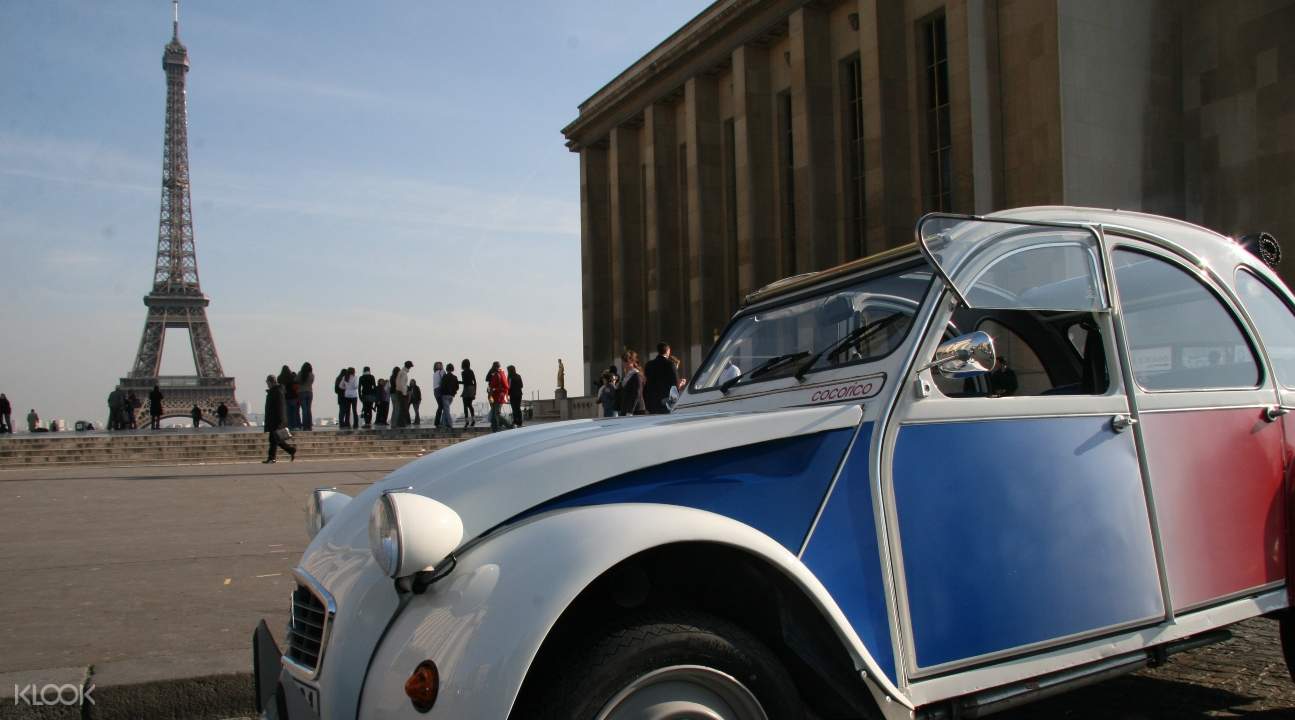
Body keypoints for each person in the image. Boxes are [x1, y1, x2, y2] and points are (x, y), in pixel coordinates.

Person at [262, 374, 297, 463]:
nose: (267, 384)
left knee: (274, 439)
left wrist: (280, 421)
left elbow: (280, 407)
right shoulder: (275, 391)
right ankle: (290, 450)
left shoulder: (277, 392)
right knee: (275, 439)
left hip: (276, 420)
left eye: (267, 382)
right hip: (273, 419)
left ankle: (272, 458)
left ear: (271, 382)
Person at [644, 342, 679, 414]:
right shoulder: (670, 364)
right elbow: (675, 384)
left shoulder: (649, 364)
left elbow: (647, 382)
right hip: (665, 402)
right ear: (668, 351)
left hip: (651, 401)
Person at [618, 350, 646, 416]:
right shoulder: (626, 376)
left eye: (626, 361)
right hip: (625, 409)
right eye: (623, 361)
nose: (624, 364)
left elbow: (636, 394)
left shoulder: (636, 375)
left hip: (635, 410)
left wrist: (630, 411)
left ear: (632, 362)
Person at [487, 361, 510, 432]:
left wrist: (490, 395)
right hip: (496, 396)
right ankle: (496, 428)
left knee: (496, 414)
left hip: (498, 397)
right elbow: (488, 379)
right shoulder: (498, 374)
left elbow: (494, 387)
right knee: (495, 414)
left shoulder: (498, 375)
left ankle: (508, 425)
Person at [277, 365, 299, 430]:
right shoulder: (292, 377)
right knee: (294, 413)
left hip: (285, 397)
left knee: (287, 413)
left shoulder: (280, 378)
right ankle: (294, 425)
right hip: (293, 397)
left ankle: (288, 426)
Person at [440, 364, 459, 429]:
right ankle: (443, 423)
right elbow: (457, 387)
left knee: (446, 410)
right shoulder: (455, 377)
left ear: (447, 369)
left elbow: (442, 386)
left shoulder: (444, 377)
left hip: (445, 395)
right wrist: (454, 393)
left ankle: (449, 423)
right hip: (451, 396)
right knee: (446, 409)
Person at [394, 361, 413, 428]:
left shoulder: (401, 372)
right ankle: (401, 424)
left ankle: (400, 423)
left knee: (402, 408)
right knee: (404, 409)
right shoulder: (403, 373)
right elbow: (402, 384)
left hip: (399, 391)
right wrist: (404, 393)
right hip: (402, 392)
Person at [297, 362, 315, 431]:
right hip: (310, 392)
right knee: (308, 409)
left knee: (304, 409)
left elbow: (296, 380)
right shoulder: (311, 375)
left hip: (301, 392)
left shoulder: (300, 373)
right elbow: (312, 382)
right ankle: (309, 425)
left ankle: (305, 425)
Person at [459, 359, 477, 428]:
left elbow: (464, 382)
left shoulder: (463, 372)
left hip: (466, 389)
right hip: (472, 388)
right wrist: (475, 391)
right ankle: (473, 420)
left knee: (465, 406)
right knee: (470, 405)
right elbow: (474, 381)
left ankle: (466, 421)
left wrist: (457, 382)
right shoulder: (471, 371)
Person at [431, 361, 445, 427]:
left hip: (436, 390)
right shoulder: (441, 372)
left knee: (441, 406)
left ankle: (438, 422)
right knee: (441, 406)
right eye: (438, 365)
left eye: (440, 365)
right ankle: (439, 422)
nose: (439, 366)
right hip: (439, 390)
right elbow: (444, 380)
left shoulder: (436, 373)